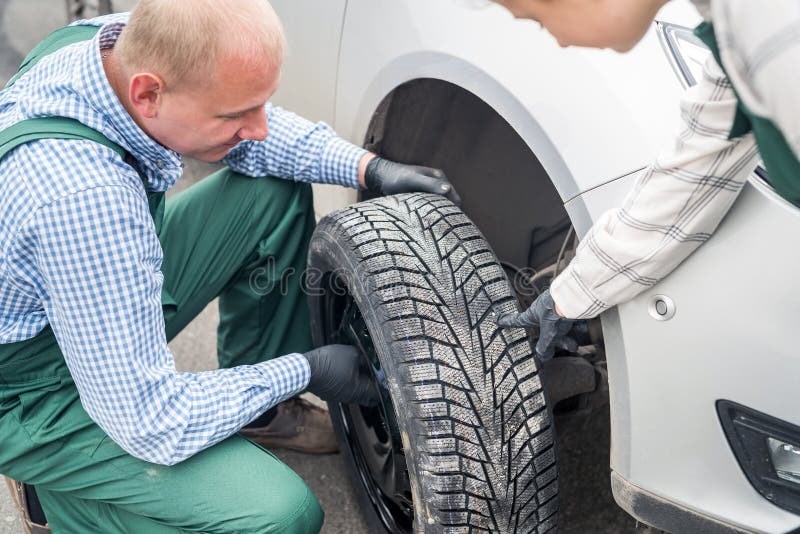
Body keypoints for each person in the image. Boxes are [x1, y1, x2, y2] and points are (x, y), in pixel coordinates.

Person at [0, 1, 457, 531]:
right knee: (278, 516)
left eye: (258, 106)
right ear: (148, 94)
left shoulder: (111, 43)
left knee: (269, 188)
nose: (258, 128)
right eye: (235, 116)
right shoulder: (86, 201)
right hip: (29, 389)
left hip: (76, 287)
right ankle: (60, 500)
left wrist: (369, 167)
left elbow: (260, 130)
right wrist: (304, 370)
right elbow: (151, 419)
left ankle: (259, 414)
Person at [493, 0, 799, 358]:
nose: (560, 42)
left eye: (539, 21)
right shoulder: (740, 27)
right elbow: (694, 174)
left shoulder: (773, 25)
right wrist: (567, 296)